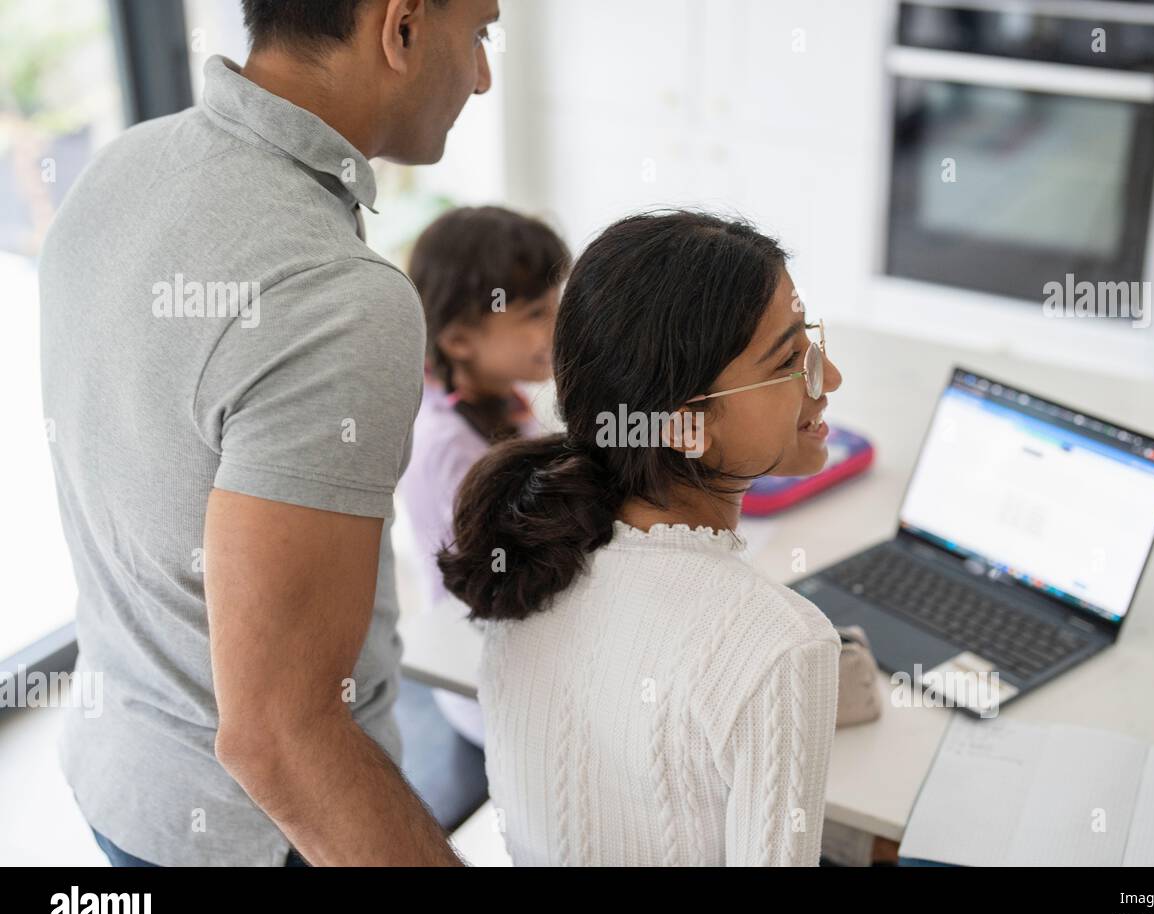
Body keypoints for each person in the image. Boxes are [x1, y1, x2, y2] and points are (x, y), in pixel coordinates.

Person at [39, 0, 499, 866]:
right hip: (261, 834)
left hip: (120, 775)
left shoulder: (120, 166)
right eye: (480, 33)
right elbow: (280, 741)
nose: (482, 74)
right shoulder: (334, 293)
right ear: (399, 28)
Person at [438, 210, 846, 865]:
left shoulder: (529, 557)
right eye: (790, 361)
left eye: (812, 345)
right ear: (686, 426)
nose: (829, 381)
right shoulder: (783, 643)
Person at [398, 205, 570, 747]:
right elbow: (504, 573)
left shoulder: (498, 399)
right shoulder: (446, 444)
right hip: (485, 687)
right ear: (460, 341)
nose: (559, 322)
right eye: (537, 313)